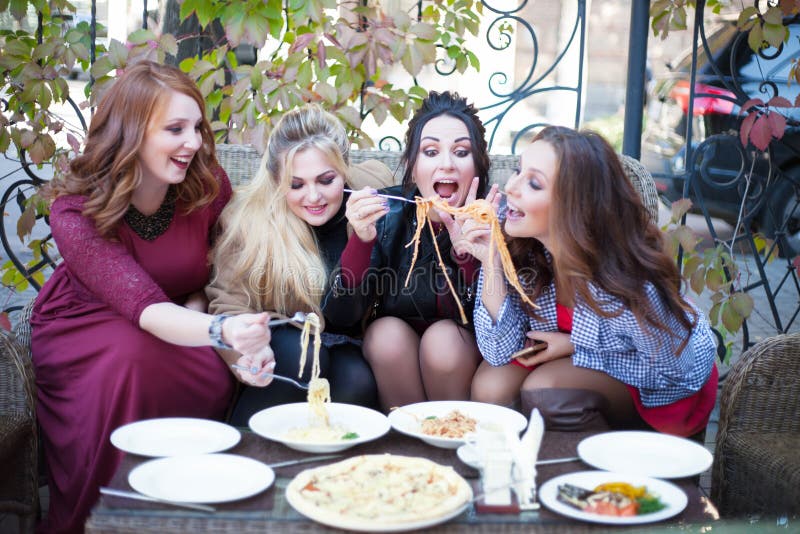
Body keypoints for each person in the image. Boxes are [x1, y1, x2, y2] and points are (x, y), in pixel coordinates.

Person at [29, 61, 274, 533]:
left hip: (178, 318)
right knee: (133, 360)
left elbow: (211, 276)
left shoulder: (206, 187)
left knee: (208, 373)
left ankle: (182, 513)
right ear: (132, 132)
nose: (195, 143)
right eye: (176, 129)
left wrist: (215, 327)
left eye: (197, 127)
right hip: (86, 327)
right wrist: (222, 333)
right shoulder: (74, 212)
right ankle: (104, 517)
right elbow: (142, 305)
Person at [459, 126, 717, 436]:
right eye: (518, 171)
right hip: (577, 363)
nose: (511, 188)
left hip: (660, 395)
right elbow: (500, 351)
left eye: (534, 183)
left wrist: (575, 346)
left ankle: (585, 472)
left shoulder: (626, 282)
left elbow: (677, 373)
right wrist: (490, 261)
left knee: (544, 389)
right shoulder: (525, 247)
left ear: (575, 206)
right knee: (490, 385)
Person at [207, 104, 386, 423]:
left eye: (326, 180)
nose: (314, 196)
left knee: (357, 381)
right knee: (304, 355)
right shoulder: (249, 220)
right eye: (296, 184)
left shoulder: (371, 194)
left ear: (343, 170)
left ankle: (325, 464)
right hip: (281, 339)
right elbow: (227, 302)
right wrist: (244, 353)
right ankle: (246, 444)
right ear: (277, 180)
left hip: (345, 338)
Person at [331, 91, 495, 410]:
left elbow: (497, 328)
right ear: (411, 165)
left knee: (442, 341)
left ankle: (453, 434)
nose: (446, 164)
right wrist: (361, 240)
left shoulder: (495, 218)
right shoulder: (388, 212)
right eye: (431, 151)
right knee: (384, 335)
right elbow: (340, 318)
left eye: (461, 152)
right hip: (397, 351)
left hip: (463, 351)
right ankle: (406, 441)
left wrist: (468, 255)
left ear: (478, 165)